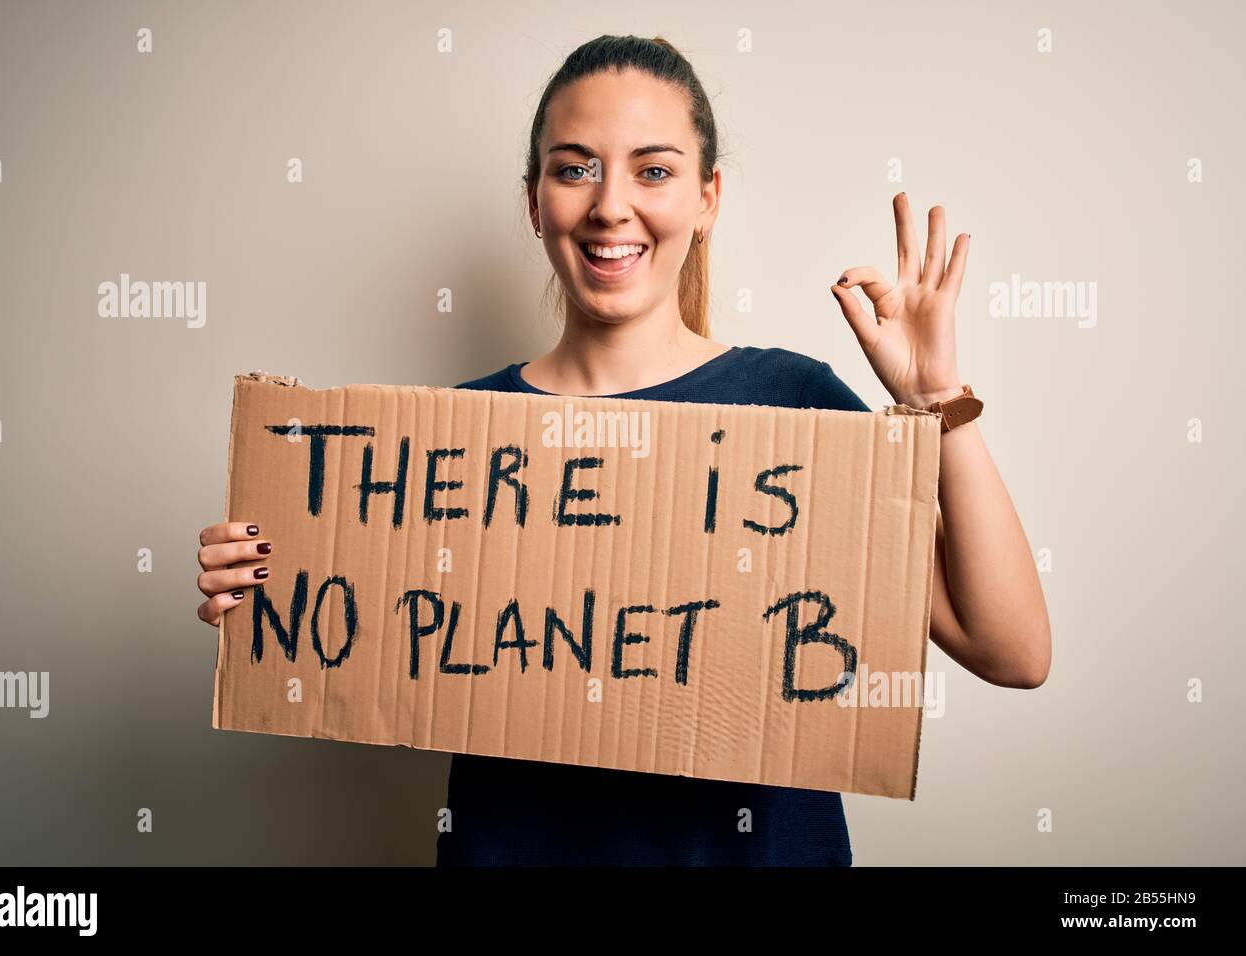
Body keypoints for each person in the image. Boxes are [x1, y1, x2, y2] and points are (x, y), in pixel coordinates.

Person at [195, 34, 1052, 866]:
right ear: (534, 200)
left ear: (707, 198)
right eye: (575, 169)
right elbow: (358, 633)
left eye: (654, 170)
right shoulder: (452, 439)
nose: (611, 205)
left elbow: (1011, 651)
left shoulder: (794, 404)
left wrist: (937, 399)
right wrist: (268, 579)